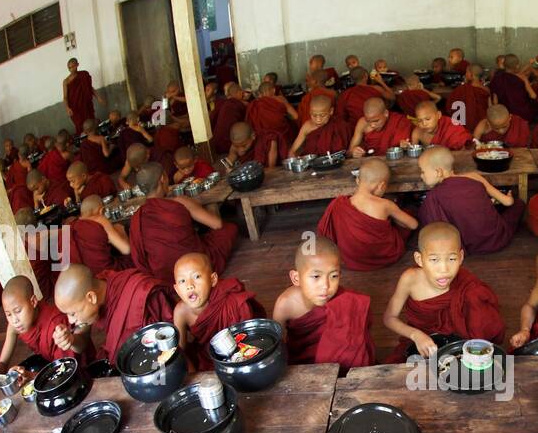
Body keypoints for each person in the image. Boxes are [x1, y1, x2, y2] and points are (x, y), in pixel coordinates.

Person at [383, 222, 504, 361]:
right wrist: (415, 335)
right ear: (419, 259)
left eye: (452, 259)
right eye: (434, 259)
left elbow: (482, 324)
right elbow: (389, 318)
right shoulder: (410, 279)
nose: (444, 269)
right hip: (421, 342)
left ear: (461, 257)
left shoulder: (467, 285)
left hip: (458, 344)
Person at [272, 237, 375, 374]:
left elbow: (357, 336)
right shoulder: (285, 304)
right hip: (300, 363)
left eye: (333, 276)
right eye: (316, 277)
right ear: (296, 278)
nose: (325, 286)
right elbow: (276, 343)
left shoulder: (344, 300)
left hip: (337, 360)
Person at [128, 163, 237, 281]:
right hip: (195, 266)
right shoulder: (180, 202)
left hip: (163, 275)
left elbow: (139, 256)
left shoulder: (136, 217)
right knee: (229, 228)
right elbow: (217, 224)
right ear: (162, 179)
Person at [52, 260, 174, 363]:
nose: (70, 320)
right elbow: (82, 341)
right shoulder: (96, 289)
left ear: (91, 297)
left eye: (72, 314)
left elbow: (169, 339)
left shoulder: (139, 291)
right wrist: (71, 340)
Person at [414, 146, 523, 255]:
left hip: (467, 247)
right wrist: (509, 196)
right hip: (496, 240)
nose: (421, 176)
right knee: (518, 204)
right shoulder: (474, 177)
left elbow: (430, 225)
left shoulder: (433, 197)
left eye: (422, 171)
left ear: (438, 172)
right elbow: (508, 202)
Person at [315, 158, 416, 271]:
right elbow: (413, 225)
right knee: (408, 212)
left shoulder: (339, 203)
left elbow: (324, 232)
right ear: (381, 186)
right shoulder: (385, 205)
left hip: (349, 259)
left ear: (358, 180)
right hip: (382, 256)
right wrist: (394, 217)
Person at [171, 252, 264, 369]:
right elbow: (180, 350)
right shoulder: (181, 312)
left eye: (197, 277)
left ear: (213, 279)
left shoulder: (232, 300)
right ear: (177, 289)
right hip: (208, 360)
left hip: (240, 356)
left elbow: (251, 337)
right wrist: (192, 373)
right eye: (182, 281)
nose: (190, 285)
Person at [0, 275, 87, 366]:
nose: (14, 320)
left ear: (33, 302)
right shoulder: (15, 324)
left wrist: (31, 376)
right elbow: (2, 363)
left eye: (18, 311)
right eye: (8, 314)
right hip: (51, 361)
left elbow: (66, 365)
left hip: (75, 364)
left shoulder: (55, 324)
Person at [488, 55, 538, 124]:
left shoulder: (497, 78)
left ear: (504, 65)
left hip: (505, 114)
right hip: (523, 115)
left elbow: (494, 99)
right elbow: (533, 96)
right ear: (517, 66)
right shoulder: (522, 78)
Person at [446, 64, 489, 133]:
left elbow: (452, 106)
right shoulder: (486, 89)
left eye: (466, 72)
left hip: (464, 124)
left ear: (471, 75)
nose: (465, 74)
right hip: (482, 124)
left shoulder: (462, 89)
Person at [63, 57, 97, 134]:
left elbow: (90, 87)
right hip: (75, 109)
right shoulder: (66, 81)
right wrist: (67, 108)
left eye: (73, 66)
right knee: (80, 127)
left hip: (86, 105)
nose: (72, 69)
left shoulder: (84, 74)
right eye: (69, 68)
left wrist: (98, 97)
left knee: (91, 124)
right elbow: (65, 97)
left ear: (77, 65)